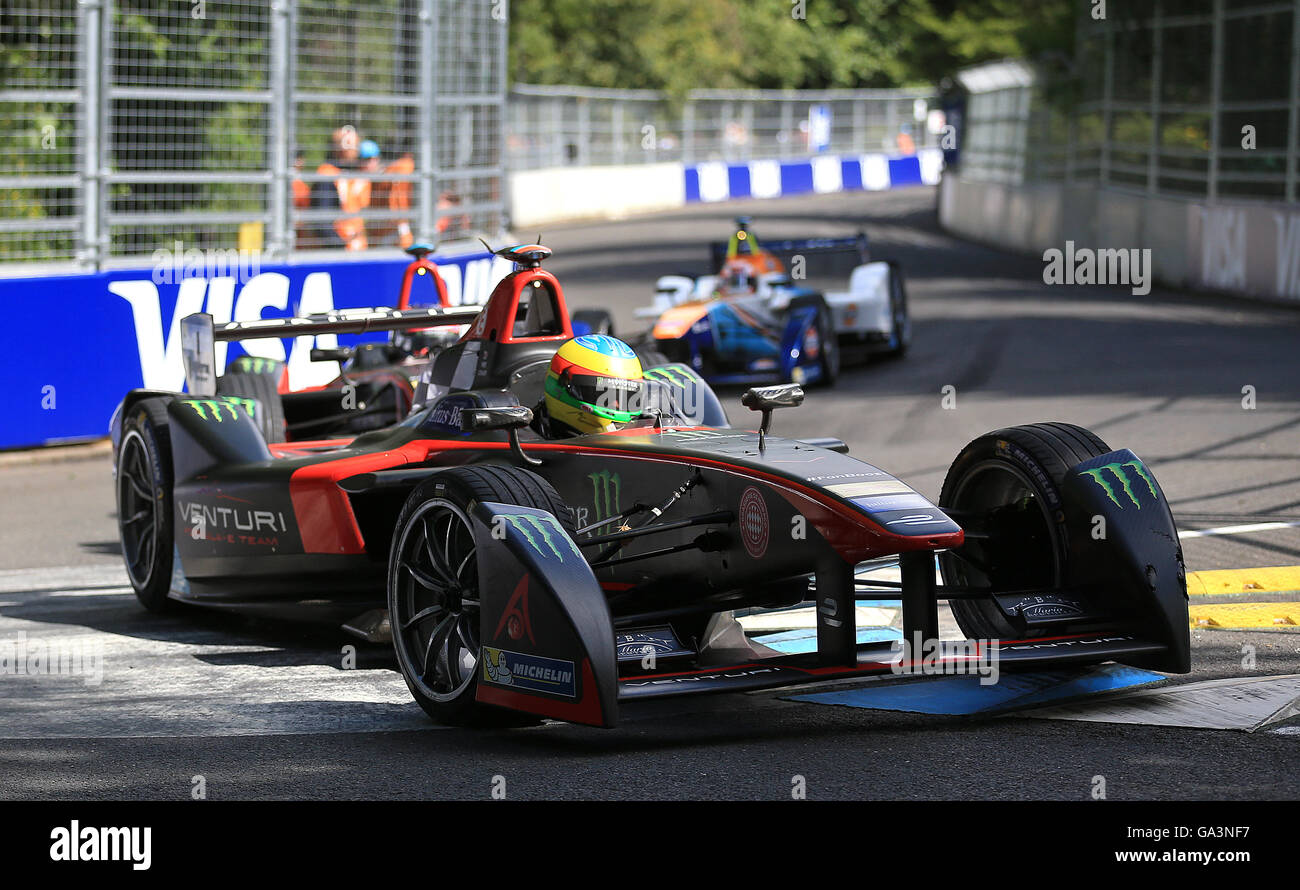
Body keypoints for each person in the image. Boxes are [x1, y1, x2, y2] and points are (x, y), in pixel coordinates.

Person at [532, 335, 646, 438]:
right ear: (564, 385)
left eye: (625, 397)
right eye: (605, 397)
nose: (616, 404)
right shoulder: (523, 447)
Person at [312, 125, 371, 250]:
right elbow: (322, 221)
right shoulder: (328, 175)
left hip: (357, 248)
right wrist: (339, 246)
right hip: (340, 251)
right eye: (354, 145)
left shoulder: (352, 174)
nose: (357, 149)